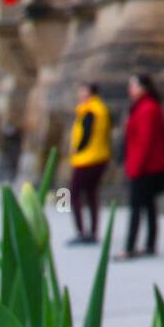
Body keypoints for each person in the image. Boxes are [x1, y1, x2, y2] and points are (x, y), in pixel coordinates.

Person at [120, 72, 164, 258]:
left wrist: (135, 167)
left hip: (144, 167)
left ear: (143, 88)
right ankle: (149, 245)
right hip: (146, 165)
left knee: (137, 207)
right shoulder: (143, 107)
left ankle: (130, 247)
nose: (130, 90)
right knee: (148, 206)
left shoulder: (147, 108)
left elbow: (145, 142)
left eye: (133, 86)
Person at [68, 83, 111, 243]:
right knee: (91, 194)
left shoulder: (91, 111)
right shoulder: (98, 109)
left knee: (72, 193)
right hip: (98, 157)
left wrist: (77, 149)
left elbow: (86, 135)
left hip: (87, 158)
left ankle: (80, 231)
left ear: (90, 93)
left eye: (82, 90)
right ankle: (92, 232)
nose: (80, 93)